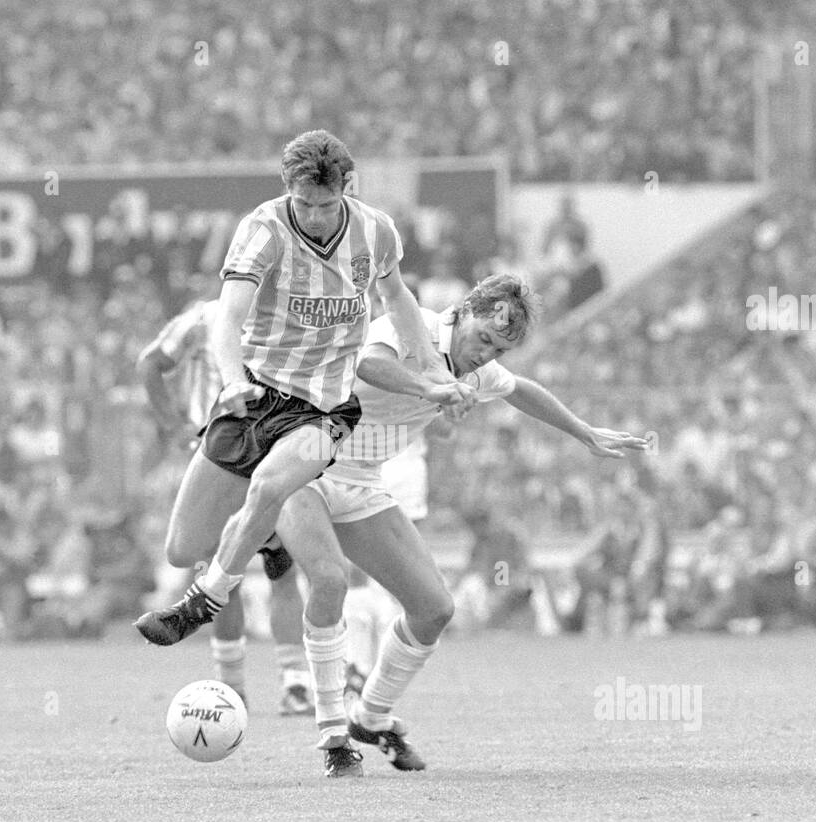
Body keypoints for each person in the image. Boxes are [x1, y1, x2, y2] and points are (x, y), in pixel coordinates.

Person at [136, 131, 473, 775]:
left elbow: (397, 298)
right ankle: (246, 552)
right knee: (183, 544)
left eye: (324, 203)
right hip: (251, 397)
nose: (314, 215)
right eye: (303, 202)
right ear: (288, 189)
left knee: (272, 486)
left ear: (346, 186)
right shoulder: (262, 231)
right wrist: (233, 381)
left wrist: (430, 369)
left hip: (321, 407)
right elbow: (227, 319)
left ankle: (205, 601)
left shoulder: (375, 232)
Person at [274, 273, 650, 776]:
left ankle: (372, 715)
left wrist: (583, 433)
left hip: (361, 483)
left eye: (498, 349)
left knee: (434, 609)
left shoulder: (477, 370)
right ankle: (333, 736)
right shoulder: (417, 327)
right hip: (304, 461)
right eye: (484, 339)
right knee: (328, 580)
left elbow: (521, 390)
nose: (485, 355)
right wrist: (432, 384)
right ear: (460, 312)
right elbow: (369, 362)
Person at [138, 299, 311, 713]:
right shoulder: (202, 317)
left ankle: (295, 683)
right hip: (215, 456)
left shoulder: (287, 314)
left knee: (282, 567)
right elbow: (150, 363)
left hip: (271, 451)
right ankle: (232, 684)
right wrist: (174, 425)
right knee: (219, 567)